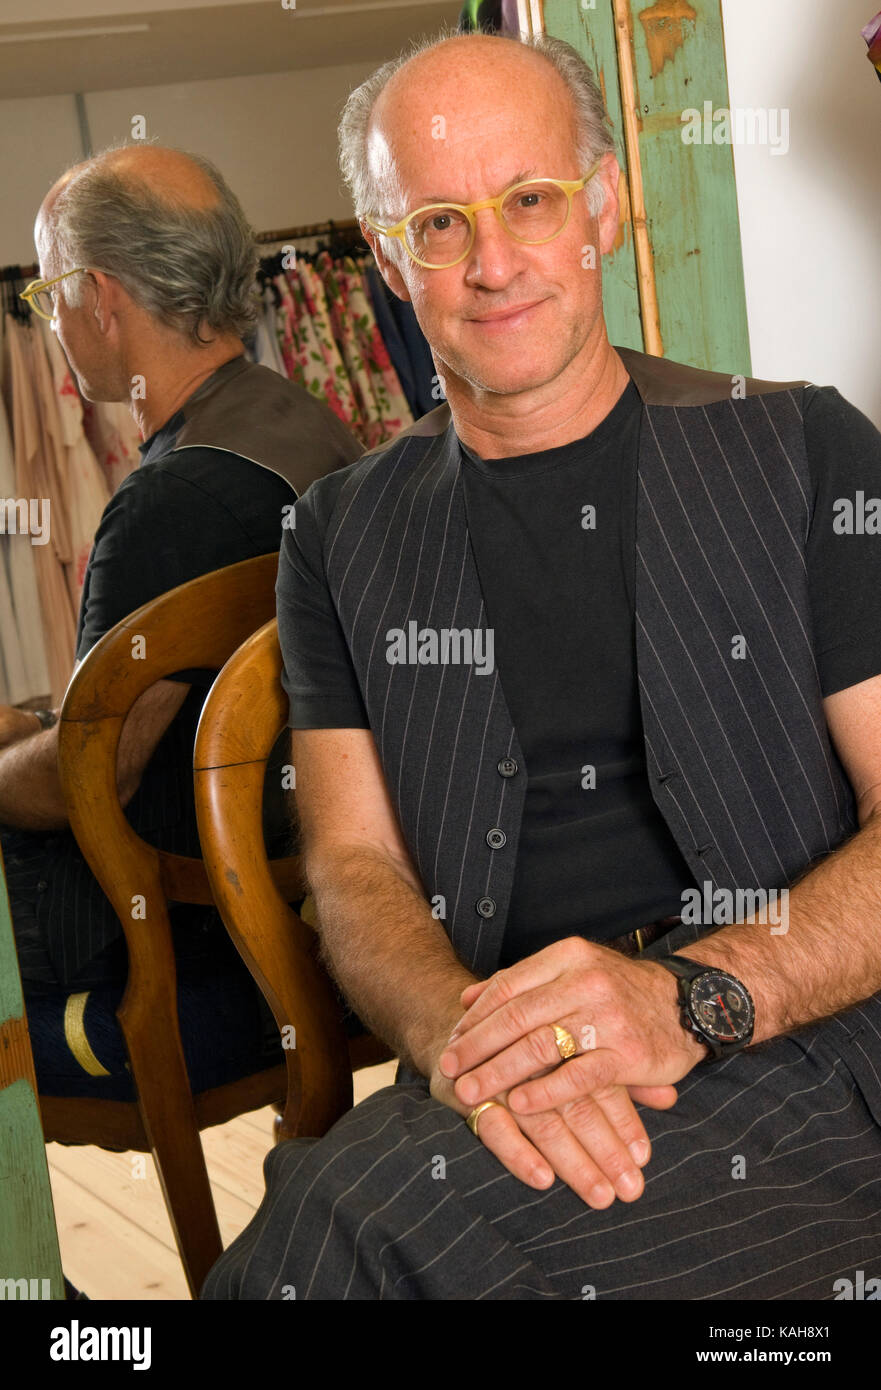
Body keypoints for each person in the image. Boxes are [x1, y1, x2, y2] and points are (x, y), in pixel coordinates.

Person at [202, 31, 881, 1299]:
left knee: (348, 1237)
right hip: (491, 1073)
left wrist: (694, 998)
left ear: (605, 207)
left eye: (529, 199)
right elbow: (352, 867)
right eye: (440, 223)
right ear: (391, 256)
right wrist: (469, 1044)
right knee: (352, 1221)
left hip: (797, 1041)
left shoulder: (801, 449)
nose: (494, 262)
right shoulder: (340, 535)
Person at [0, 145, 360, 1064]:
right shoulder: (307, 425)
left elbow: (95, 772)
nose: (51, 325)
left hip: (183, 922)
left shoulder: (167, 503)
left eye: (47, 298)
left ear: (100, 297)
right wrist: (36, 724)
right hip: (301, 876)